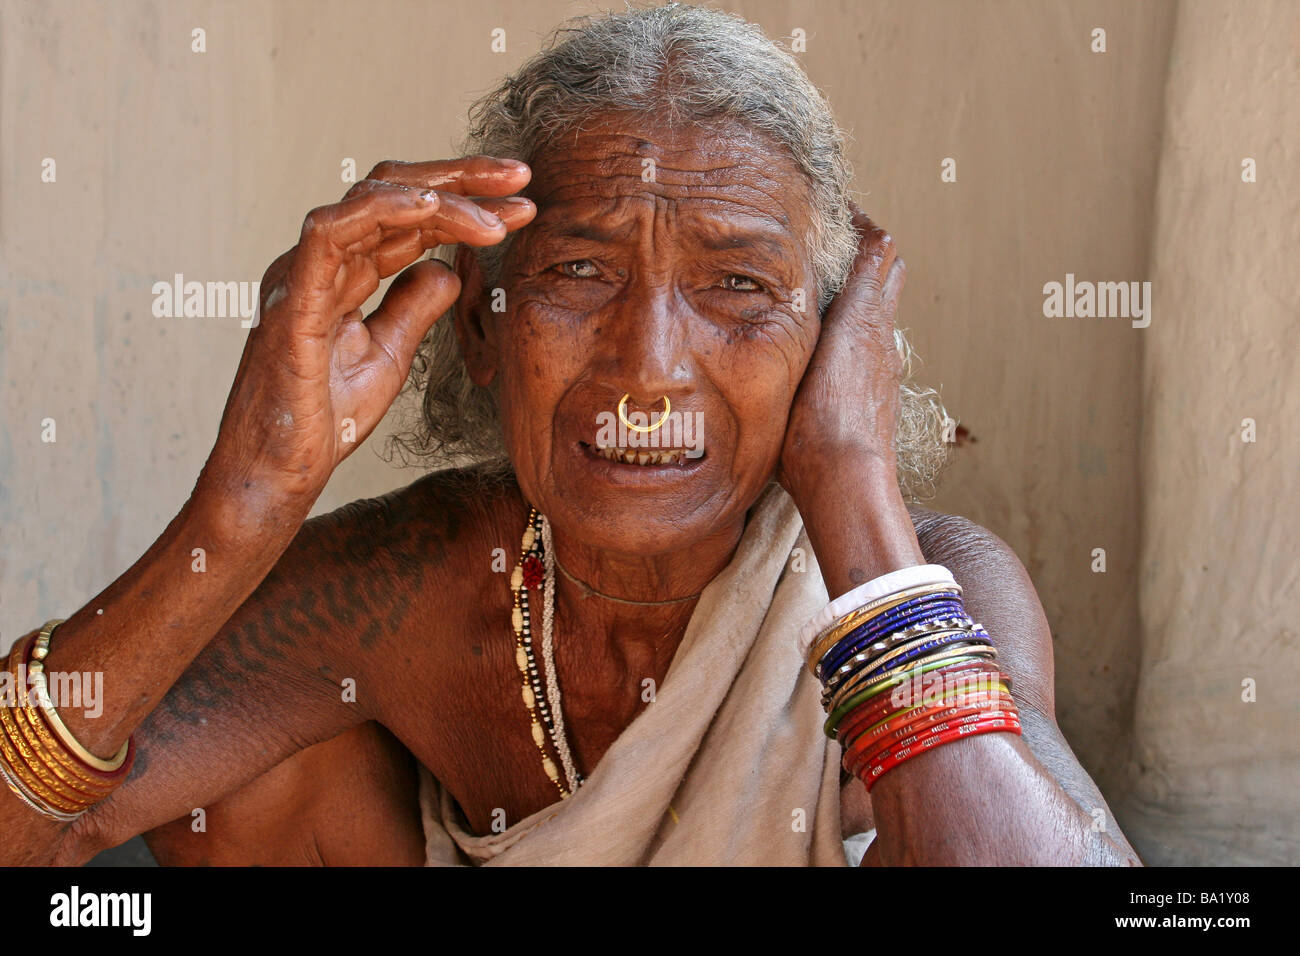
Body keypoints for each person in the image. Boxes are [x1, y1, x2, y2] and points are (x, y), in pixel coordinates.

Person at [1, 3, 1139, 866]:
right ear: (479, 334)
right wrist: (248, 493)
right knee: (258, 782)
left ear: (830, 348)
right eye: (580, 273)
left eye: (739, 284)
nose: (647, 361)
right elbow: (41, 824)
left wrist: (850, 479)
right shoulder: (403, 585)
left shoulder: (930, 578)